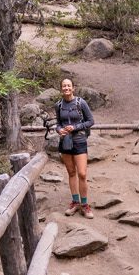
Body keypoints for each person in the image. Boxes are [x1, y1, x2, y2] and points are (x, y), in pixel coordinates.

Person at [53, 76, 95, 215]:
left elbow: (90, 121)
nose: (66, 88)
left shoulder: (80, 103)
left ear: (73, 88)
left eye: (68, 86)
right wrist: (59, 130)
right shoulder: (59, 105)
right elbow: (58, 123)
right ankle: (75, 202)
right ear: (61, 89)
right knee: (71, 173)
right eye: (64, 86)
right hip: (65, 141)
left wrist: (75, 127)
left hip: (79, 140)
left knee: (82, 173)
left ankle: (84, 204)